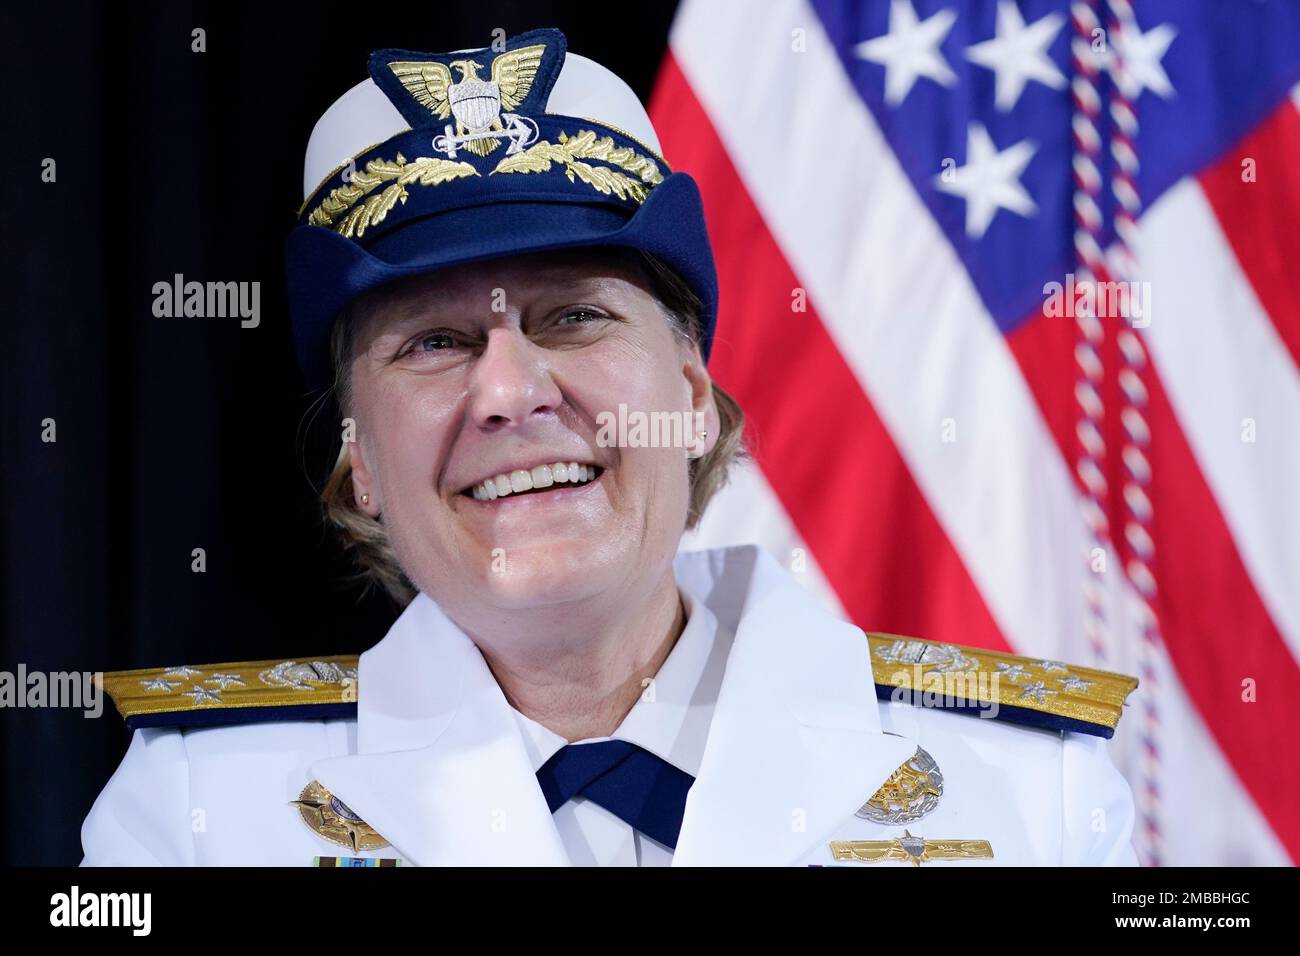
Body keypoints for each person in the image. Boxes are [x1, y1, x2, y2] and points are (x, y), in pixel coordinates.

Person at [81, 29, 1139, 867]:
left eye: (572, 317)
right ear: (359, 453)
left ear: (688, 391)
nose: (507, 391)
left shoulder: (1027, 786)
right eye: (435, 342)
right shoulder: (195, 809)